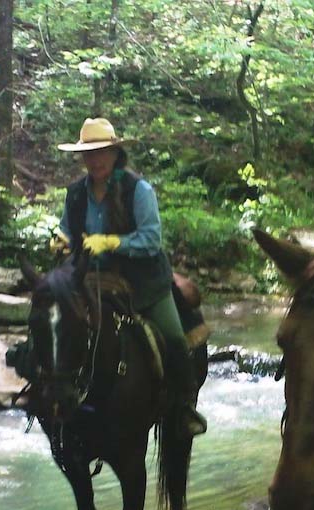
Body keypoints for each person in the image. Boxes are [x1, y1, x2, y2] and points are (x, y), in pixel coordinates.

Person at [56, 117, 206, 437]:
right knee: (55, 324)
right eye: (88, 154)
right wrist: (60, 239)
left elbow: (151, 239)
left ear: (114, 154)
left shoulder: (139, 190)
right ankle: (50, 392)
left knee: (174, 336)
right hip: (89, 278)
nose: (94, 160)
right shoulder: (75, 193)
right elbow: (68, 230)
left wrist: (113, 242)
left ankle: (184, 406)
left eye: (101, 152)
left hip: (142, 282)